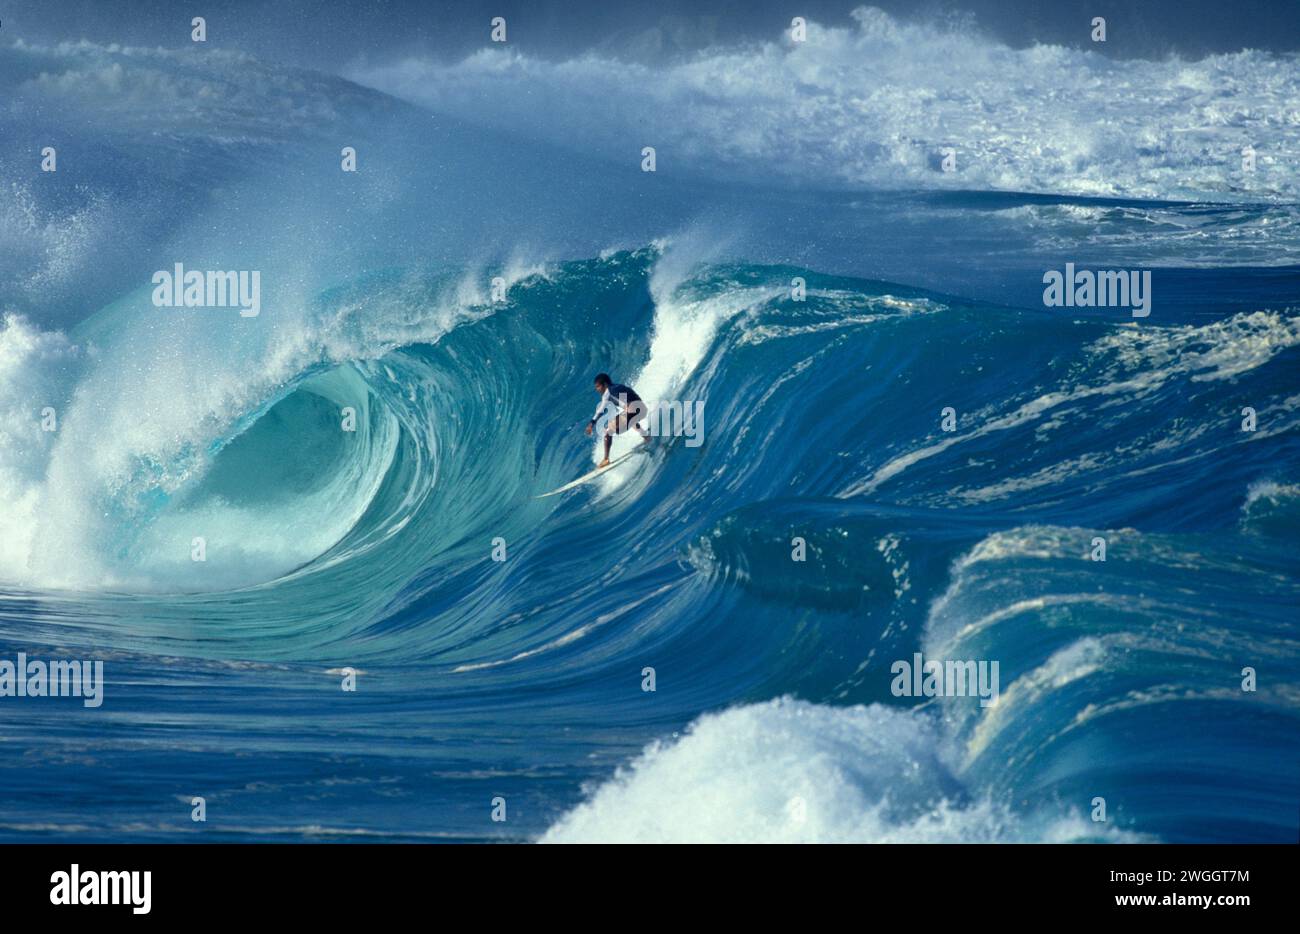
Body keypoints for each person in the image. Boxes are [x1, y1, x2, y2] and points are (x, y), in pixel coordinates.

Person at [585, 373, 649, 467]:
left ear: (605, 384)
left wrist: (591, 424)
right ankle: (646, 437)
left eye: (598, 386)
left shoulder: (611, 390)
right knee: (629, 420)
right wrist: (592, 423)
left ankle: (606, 459)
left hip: (634, 409)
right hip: (642, 409)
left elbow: (601, 410)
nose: (597, 389)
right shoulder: (616, 386)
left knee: (608, 430)